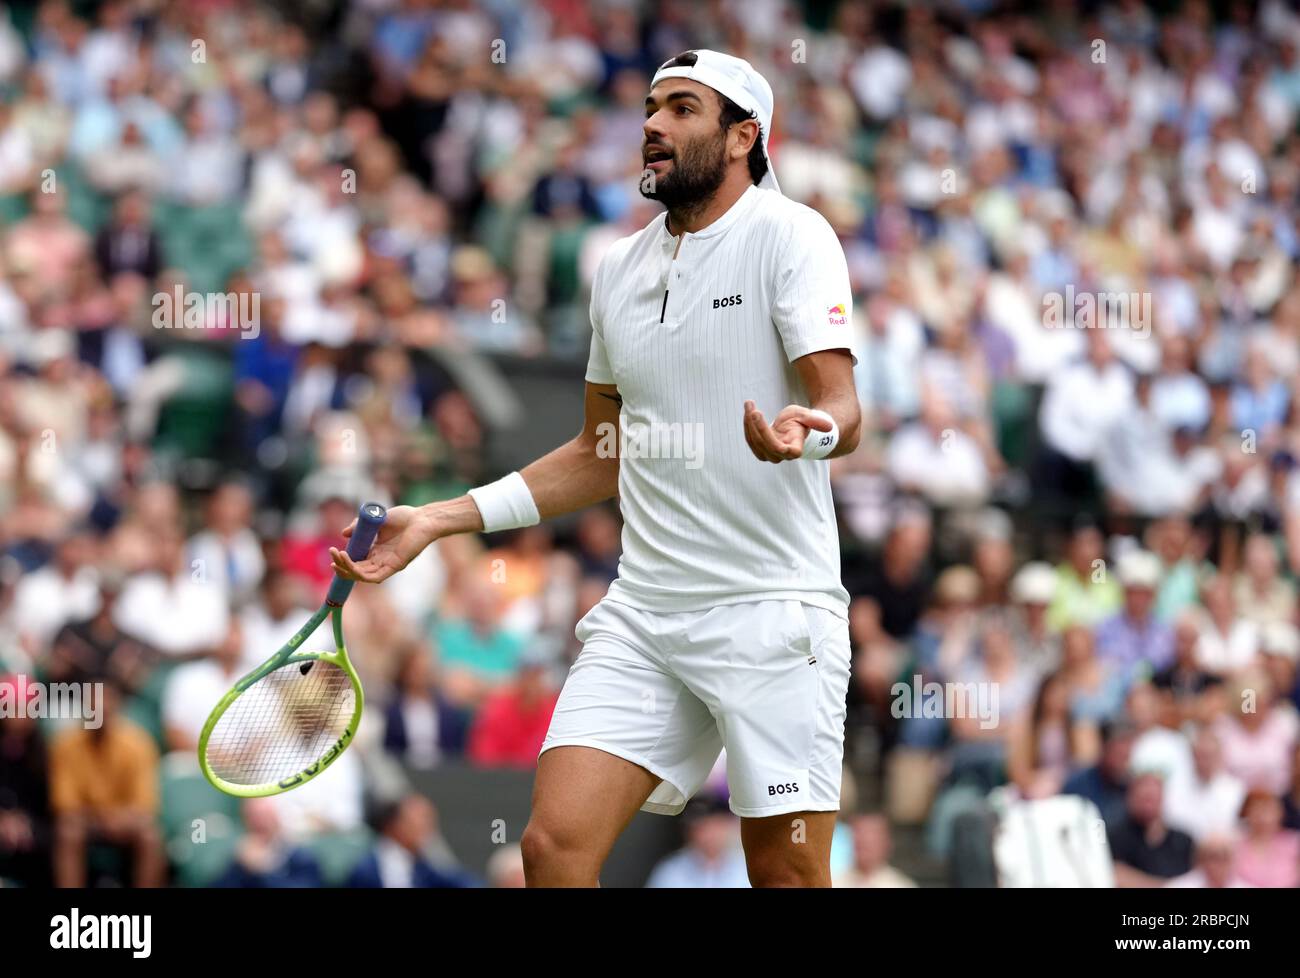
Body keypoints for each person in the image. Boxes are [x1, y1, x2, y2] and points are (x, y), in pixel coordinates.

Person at [331, 49, 859, 888]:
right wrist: (437, 517)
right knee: (552, 846)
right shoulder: (615, 269)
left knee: (787, 875)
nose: (653, 125)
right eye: (652, 108)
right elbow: (596, 453)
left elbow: (844, 406)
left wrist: (812, 432)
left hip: (774, 614)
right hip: (646, 614)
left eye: (684, 109)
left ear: (740, 137)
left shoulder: (792, 236)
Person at [49, 678, 163, 887]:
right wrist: (103, 818)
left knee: (150, 835)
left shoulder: (138, 743)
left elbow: (145, 805)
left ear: (118, 705)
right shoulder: (65, 744)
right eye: (93, 704)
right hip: (86, 821)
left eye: (105, 703)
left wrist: (120, 819)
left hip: (127, 822)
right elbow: (64, 804)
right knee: (67, 831)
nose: (99, 710)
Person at [345, 794, 478, 888]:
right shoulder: (366, 868)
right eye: (420, 820)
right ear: (394, 823)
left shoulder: (424, 867)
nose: (427, 829)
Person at [1107, 772, 1195, 887]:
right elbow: (1116, 874)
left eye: (1152, 799)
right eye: (1144, 798)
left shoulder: (1183, 841)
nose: (1148, 805)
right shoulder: (1116, 837)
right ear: (1130, 798)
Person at [644, 796, 750, 888]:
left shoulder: (745, 868)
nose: (709, 835)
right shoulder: (671, 870)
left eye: (714, 826)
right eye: (701, 828)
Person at [833, 813, 916, 888]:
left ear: (887, 842)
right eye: (858, 832)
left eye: (871, 834)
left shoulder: (900, 885)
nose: (863, 840)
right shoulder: (833, 883)